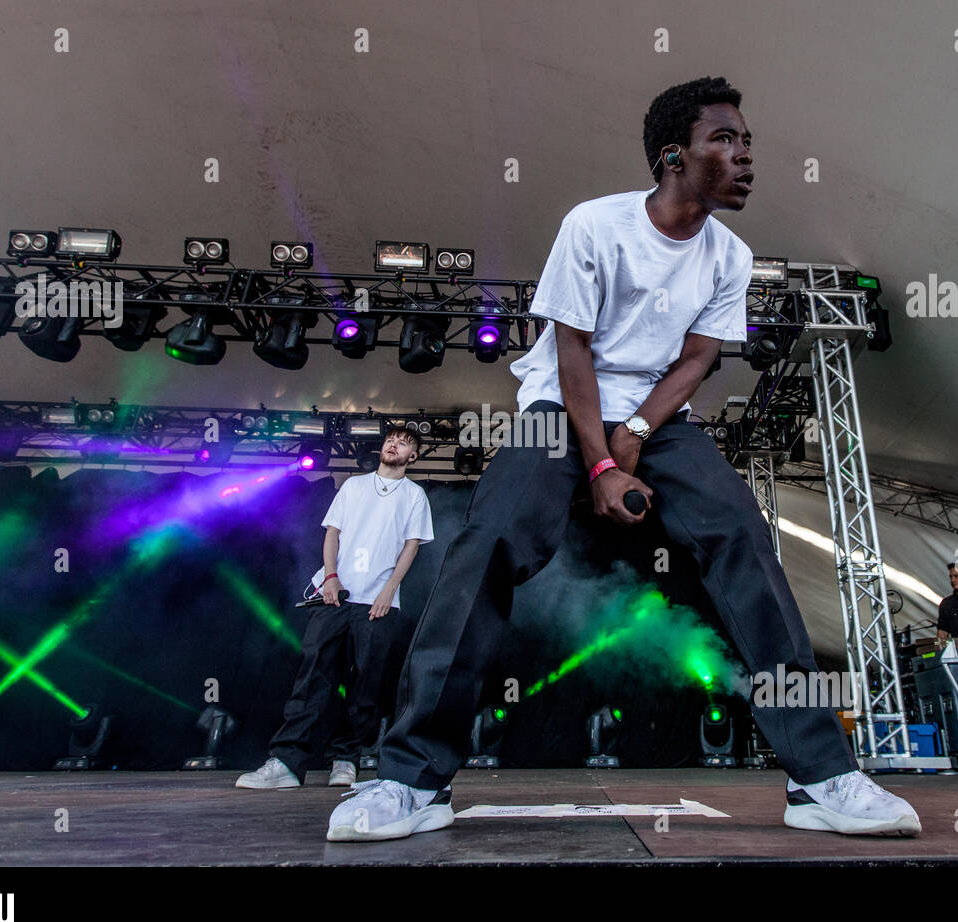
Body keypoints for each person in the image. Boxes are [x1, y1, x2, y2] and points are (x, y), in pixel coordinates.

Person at [327, 77, 921, 841]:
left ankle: (822, 776)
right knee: (492, 540)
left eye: (748, 145)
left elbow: (698, 360)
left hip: (658, 415)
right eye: (726, 141)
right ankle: (413, 780)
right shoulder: (594, 226)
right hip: (559, 403)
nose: (745, 157)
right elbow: (572, 348)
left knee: (742, 536)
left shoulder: (730, 257)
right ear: (675, 156)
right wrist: (602, 465)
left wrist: (636, 434)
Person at [236, 428, 433, 790]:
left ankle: (346, 758)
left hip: (379, 601)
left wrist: (389, 591)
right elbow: (332, 533)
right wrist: (330, 578)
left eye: (403, 442)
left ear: (413, 457)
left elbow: (411, 546)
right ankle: (286, 762)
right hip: (335, 595)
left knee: (366, 684)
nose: (393, 445)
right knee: (312, 677)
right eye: (391, 439)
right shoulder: (354, 486)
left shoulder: (414, 496)